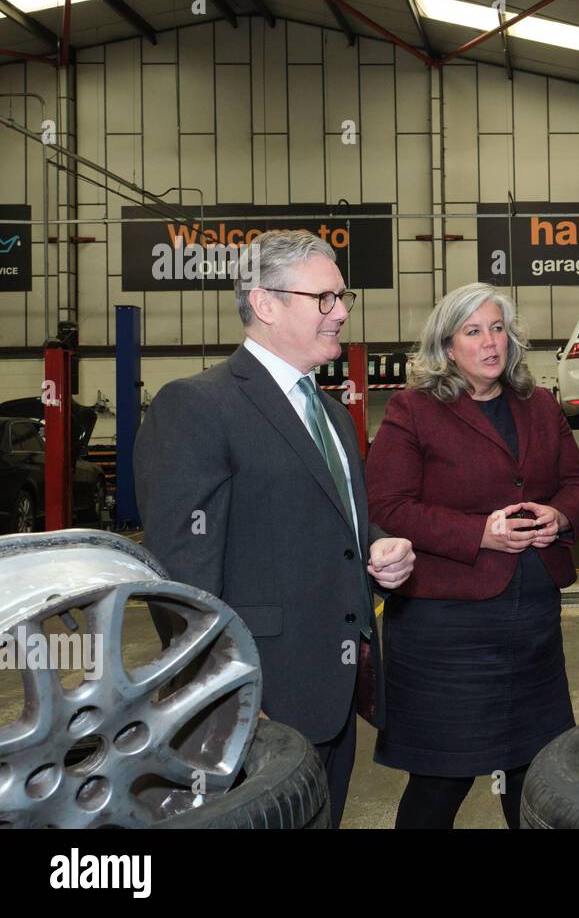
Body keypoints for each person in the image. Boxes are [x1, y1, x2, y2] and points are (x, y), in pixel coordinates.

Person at [136, 229, 415, 828]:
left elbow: (338, 527)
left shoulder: (335, 417)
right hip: (259, 703)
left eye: (343, 298)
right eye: (324, 299)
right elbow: (180, 575)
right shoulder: (197, 406)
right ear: (265, 303)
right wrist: (221, 692)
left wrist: (379, 551)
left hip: (334, 694)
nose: (341, 313)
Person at [365, 282, 579, 830]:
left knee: (535, 771)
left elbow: (577, 483)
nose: (490, 343)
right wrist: (478, 534)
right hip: (446, 627)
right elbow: (388, 506)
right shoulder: (413, 409)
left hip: (532, 620)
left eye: (498, 329)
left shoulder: (539, 404)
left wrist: (558, 516)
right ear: (447, 347)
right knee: (441, 777)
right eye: (473, 332)